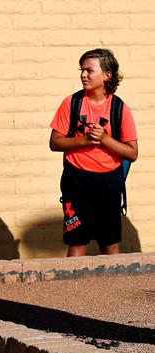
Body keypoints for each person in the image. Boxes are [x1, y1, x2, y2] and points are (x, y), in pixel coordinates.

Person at [49, 48, 138, 257]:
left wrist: (105, 139)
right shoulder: (71, 103)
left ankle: (114, 280)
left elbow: (132, 153)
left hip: (109, 182)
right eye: (82, 70)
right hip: (76, 180)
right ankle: (71, 280)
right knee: (77, 242)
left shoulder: (119, 108)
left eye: (89, 70)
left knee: (110, 244)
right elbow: (54, 142)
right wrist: (83, 140)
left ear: (107, 75)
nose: (83, 75)